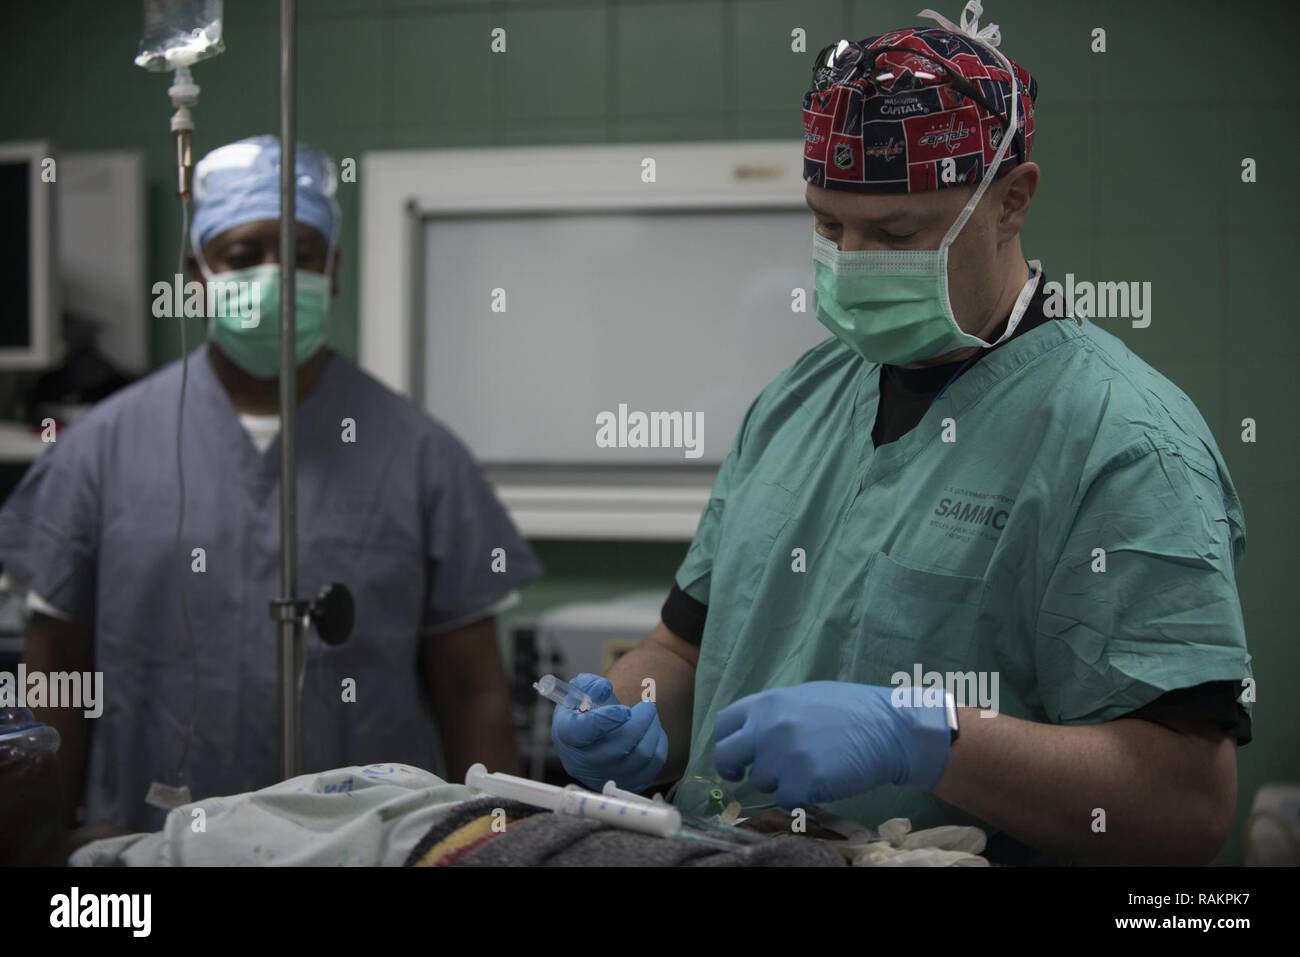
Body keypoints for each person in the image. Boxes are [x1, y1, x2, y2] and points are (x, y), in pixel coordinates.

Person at [550, 10, 1252, 865]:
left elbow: (1185, 802)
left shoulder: (1125, 442)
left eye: (895, 235)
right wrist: (626, 708)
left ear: (1012, 200)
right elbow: (684, 646)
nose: (849, 262)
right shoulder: (797, 399)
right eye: (826, 224)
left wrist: (923, 738)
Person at [0, 135, 541, 834]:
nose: (274, 276)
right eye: (242, 255)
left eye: (301, 254)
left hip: (369, 845)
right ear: (198, 275)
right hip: (152, 846)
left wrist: (499, 845)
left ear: (334, 271)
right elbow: (54, 680)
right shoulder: (99, 452)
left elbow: (473, 693)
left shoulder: (422, 457)